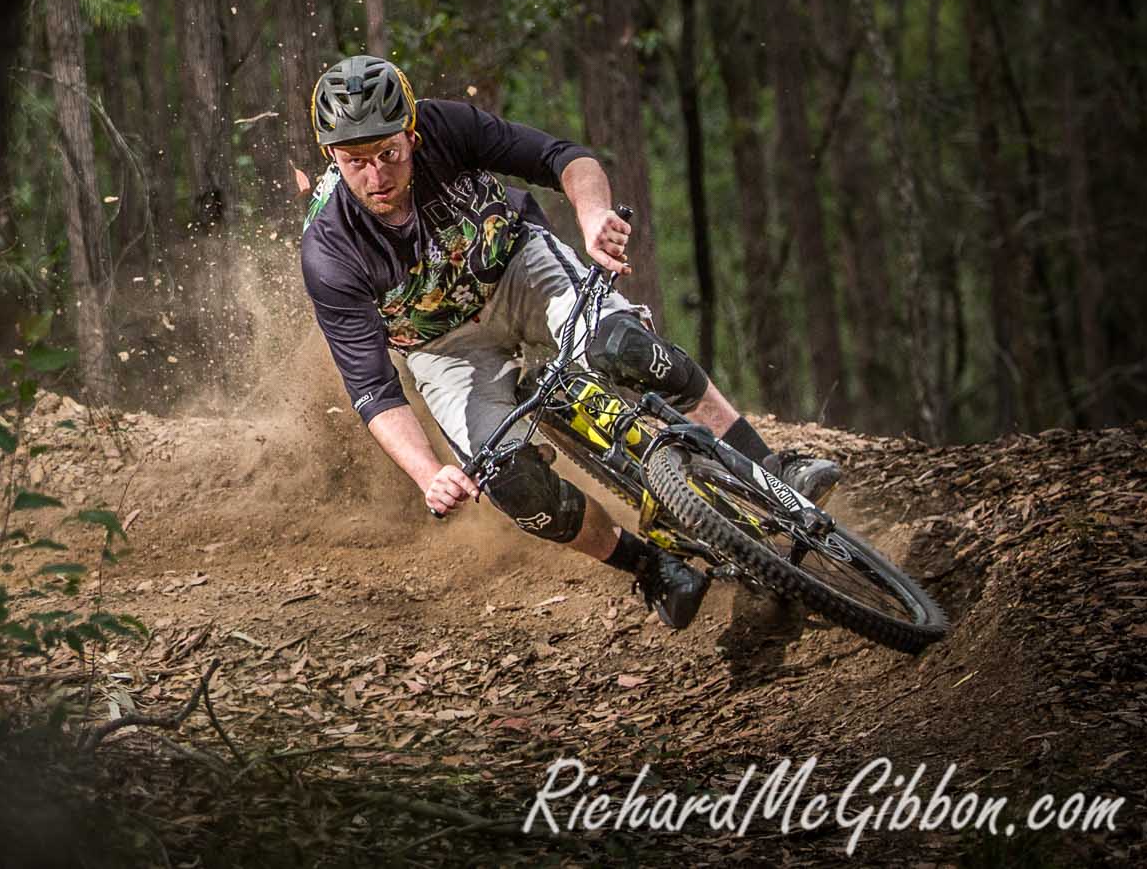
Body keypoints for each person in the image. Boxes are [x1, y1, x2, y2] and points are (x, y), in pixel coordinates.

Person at [298, 55, 840, 630]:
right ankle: (649, 566)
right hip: (443, 347)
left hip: (516, 271)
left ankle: (771, 468)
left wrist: (593, 215)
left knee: (627, 348)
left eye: (388, 153)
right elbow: (374, 391)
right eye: (356, 161)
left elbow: (563, 157)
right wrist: (428, 473)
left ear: (412, 133)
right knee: (513, 484)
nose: (376, 177)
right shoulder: (329, 251)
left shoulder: (446, 127)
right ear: (332, 156)